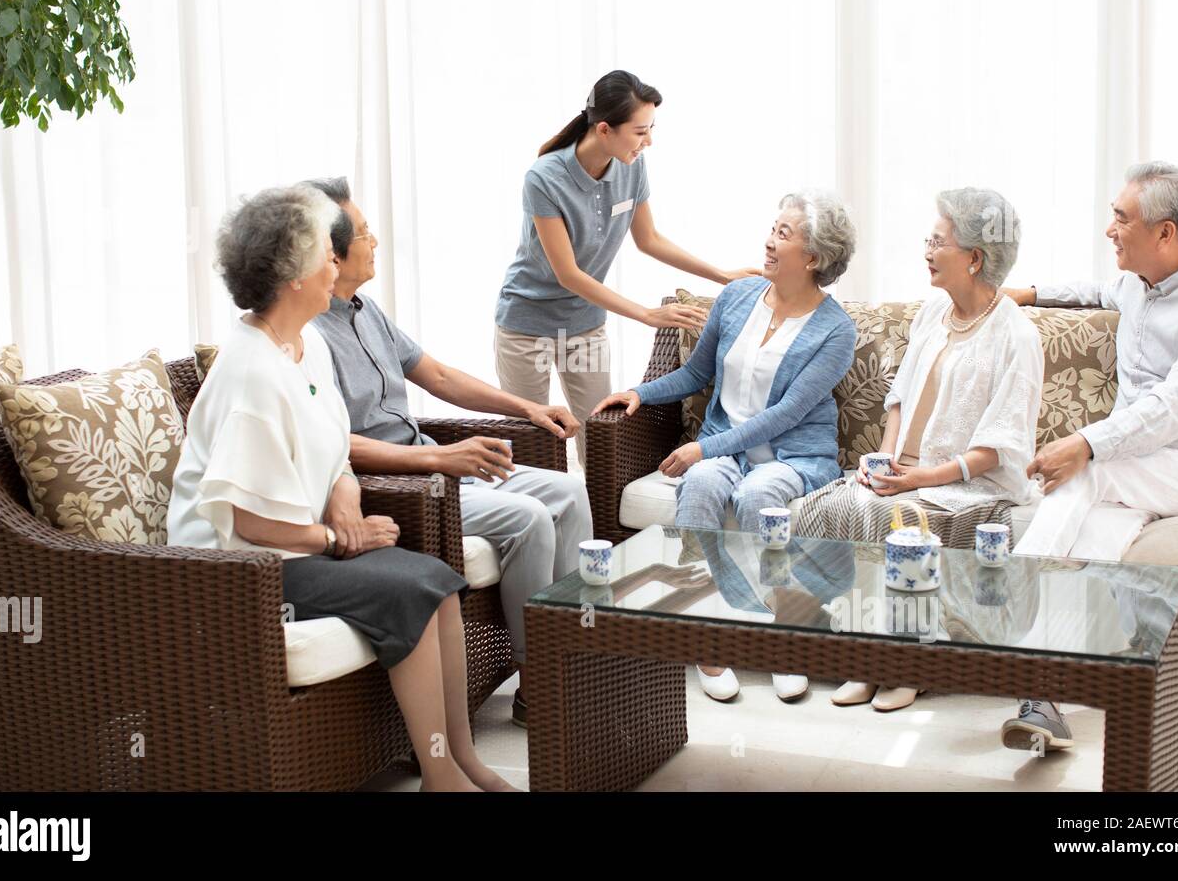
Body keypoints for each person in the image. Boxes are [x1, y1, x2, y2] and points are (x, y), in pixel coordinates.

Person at [167, 185, 514, 791]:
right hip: (239, 568)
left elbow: (335, 453)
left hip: (295, 543)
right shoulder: (251, 373)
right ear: (291, 274)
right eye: (325, 254)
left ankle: (463, 758)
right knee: (409, 592)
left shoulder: (307, 347)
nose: (337, 261)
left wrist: (346, 503)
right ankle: (442, 778)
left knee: (441, 584)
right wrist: (336, 538)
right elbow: (247, 524)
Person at [305, 177, 593, 729]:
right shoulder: (309, 335)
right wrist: (441, 460)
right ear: (331, 253)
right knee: (530, 518)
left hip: (434, 459)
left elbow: (437, 375)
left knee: (569, 490)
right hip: (399, 484)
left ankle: (574, 656)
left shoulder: (366, 311)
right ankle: (538, 687)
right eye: (364, 233)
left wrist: (527, 408)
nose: (376, 241)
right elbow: (333, 446)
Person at [998, 160, 1178, 752]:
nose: (1109, 229)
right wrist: (1024, 293)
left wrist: (1084, 443)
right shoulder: (1141, 279)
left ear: (1165, 232)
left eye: (1120, 217)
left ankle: (1005, 593)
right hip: (1147, 464)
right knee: (1098, 526)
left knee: (1084, 480)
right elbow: (1094, 292)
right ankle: (1046, 695)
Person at [593, 190, 859, 704]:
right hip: (725, 450)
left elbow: (786, 415)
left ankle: (786, 636)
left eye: (784, 233)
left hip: (793, 455)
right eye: (772, 226)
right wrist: (639, 392)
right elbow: (697, 373)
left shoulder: (835, 330)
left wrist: (705, 447)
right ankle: (706, 636)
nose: (768, 240)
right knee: (698, 487)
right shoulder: (737, 298)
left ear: (813, 258)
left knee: (760, 497)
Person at [796, 187, 1043, 712]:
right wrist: (883, 460)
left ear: (975, 257)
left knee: (898, 518)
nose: (926, 250)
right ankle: (865, 657)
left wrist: (917, 480)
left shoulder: (1016, 335)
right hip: (907, 474)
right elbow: (898, 399)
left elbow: (1001, 446)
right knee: (838, 506)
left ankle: (910, 662)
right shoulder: (933, 313)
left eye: (938, 242)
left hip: (967, 484)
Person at [494, 69, 761, 462]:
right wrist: (646, 314)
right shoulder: (544, 178)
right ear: (604, 129)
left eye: (650, 129)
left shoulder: (631, 165)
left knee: (598, 441)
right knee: (534, 445)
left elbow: (648, 239)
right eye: (640, 131)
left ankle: (591, 525)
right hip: (526, 327)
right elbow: (569, 274)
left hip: (583, 328)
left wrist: (721, 274)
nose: (648, 141)